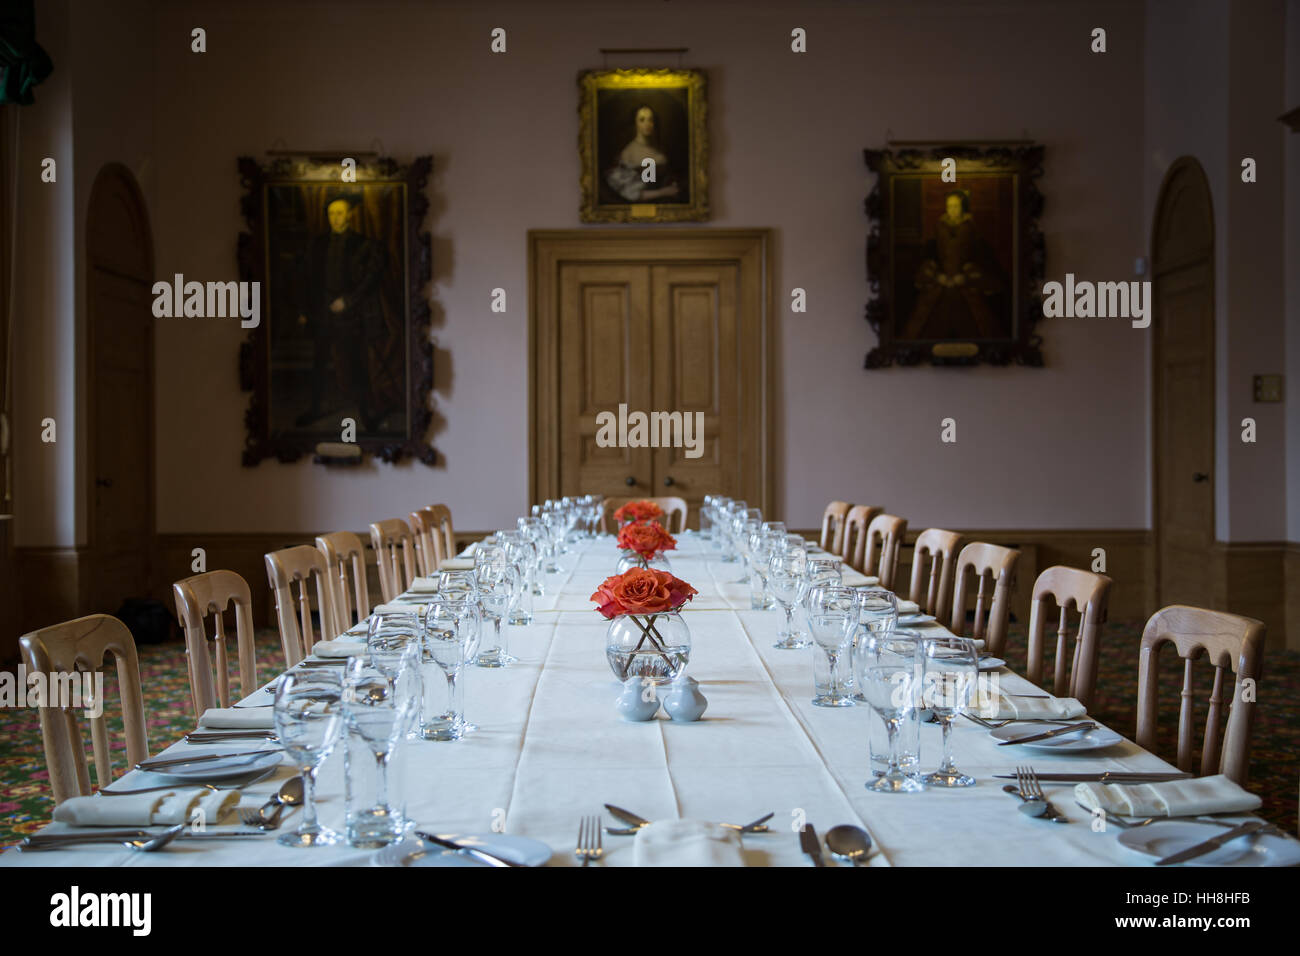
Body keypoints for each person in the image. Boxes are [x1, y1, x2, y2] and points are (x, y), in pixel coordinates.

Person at [294, 196, 387, 430]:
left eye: (340, 213)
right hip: (322, 314)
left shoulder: (363, 244)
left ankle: (367, 414)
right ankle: (315, 408)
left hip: (350, 315)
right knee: (319, 362)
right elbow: (306, 279)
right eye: (331, 213)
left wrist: (348, 301)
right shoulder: (317, 244)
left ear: (350, 215)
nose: (335, 218)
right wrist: (305, 310)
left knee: (356, 364)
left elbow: (370, 279)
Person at [900, 190, 1004, 340]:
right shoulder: (939, 227)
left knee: (979, 324)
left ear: (963, 208)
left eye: (956, 206)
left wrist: (966, 277)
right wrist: (937, 276)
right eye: (949, 206)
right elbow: (930, 255)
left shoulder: (971, 229)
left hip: (965, 284)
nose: (952, 210)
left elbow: (981, 258)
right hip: (941, 283)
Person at [605, 105, 682, 202]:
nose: (647, 124)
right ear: (635, 123)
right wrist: (664, 192)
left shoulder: (660, 150)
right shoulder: (628, 153)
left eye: (650, 120)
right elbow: (633, 194)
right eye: (642, 120)